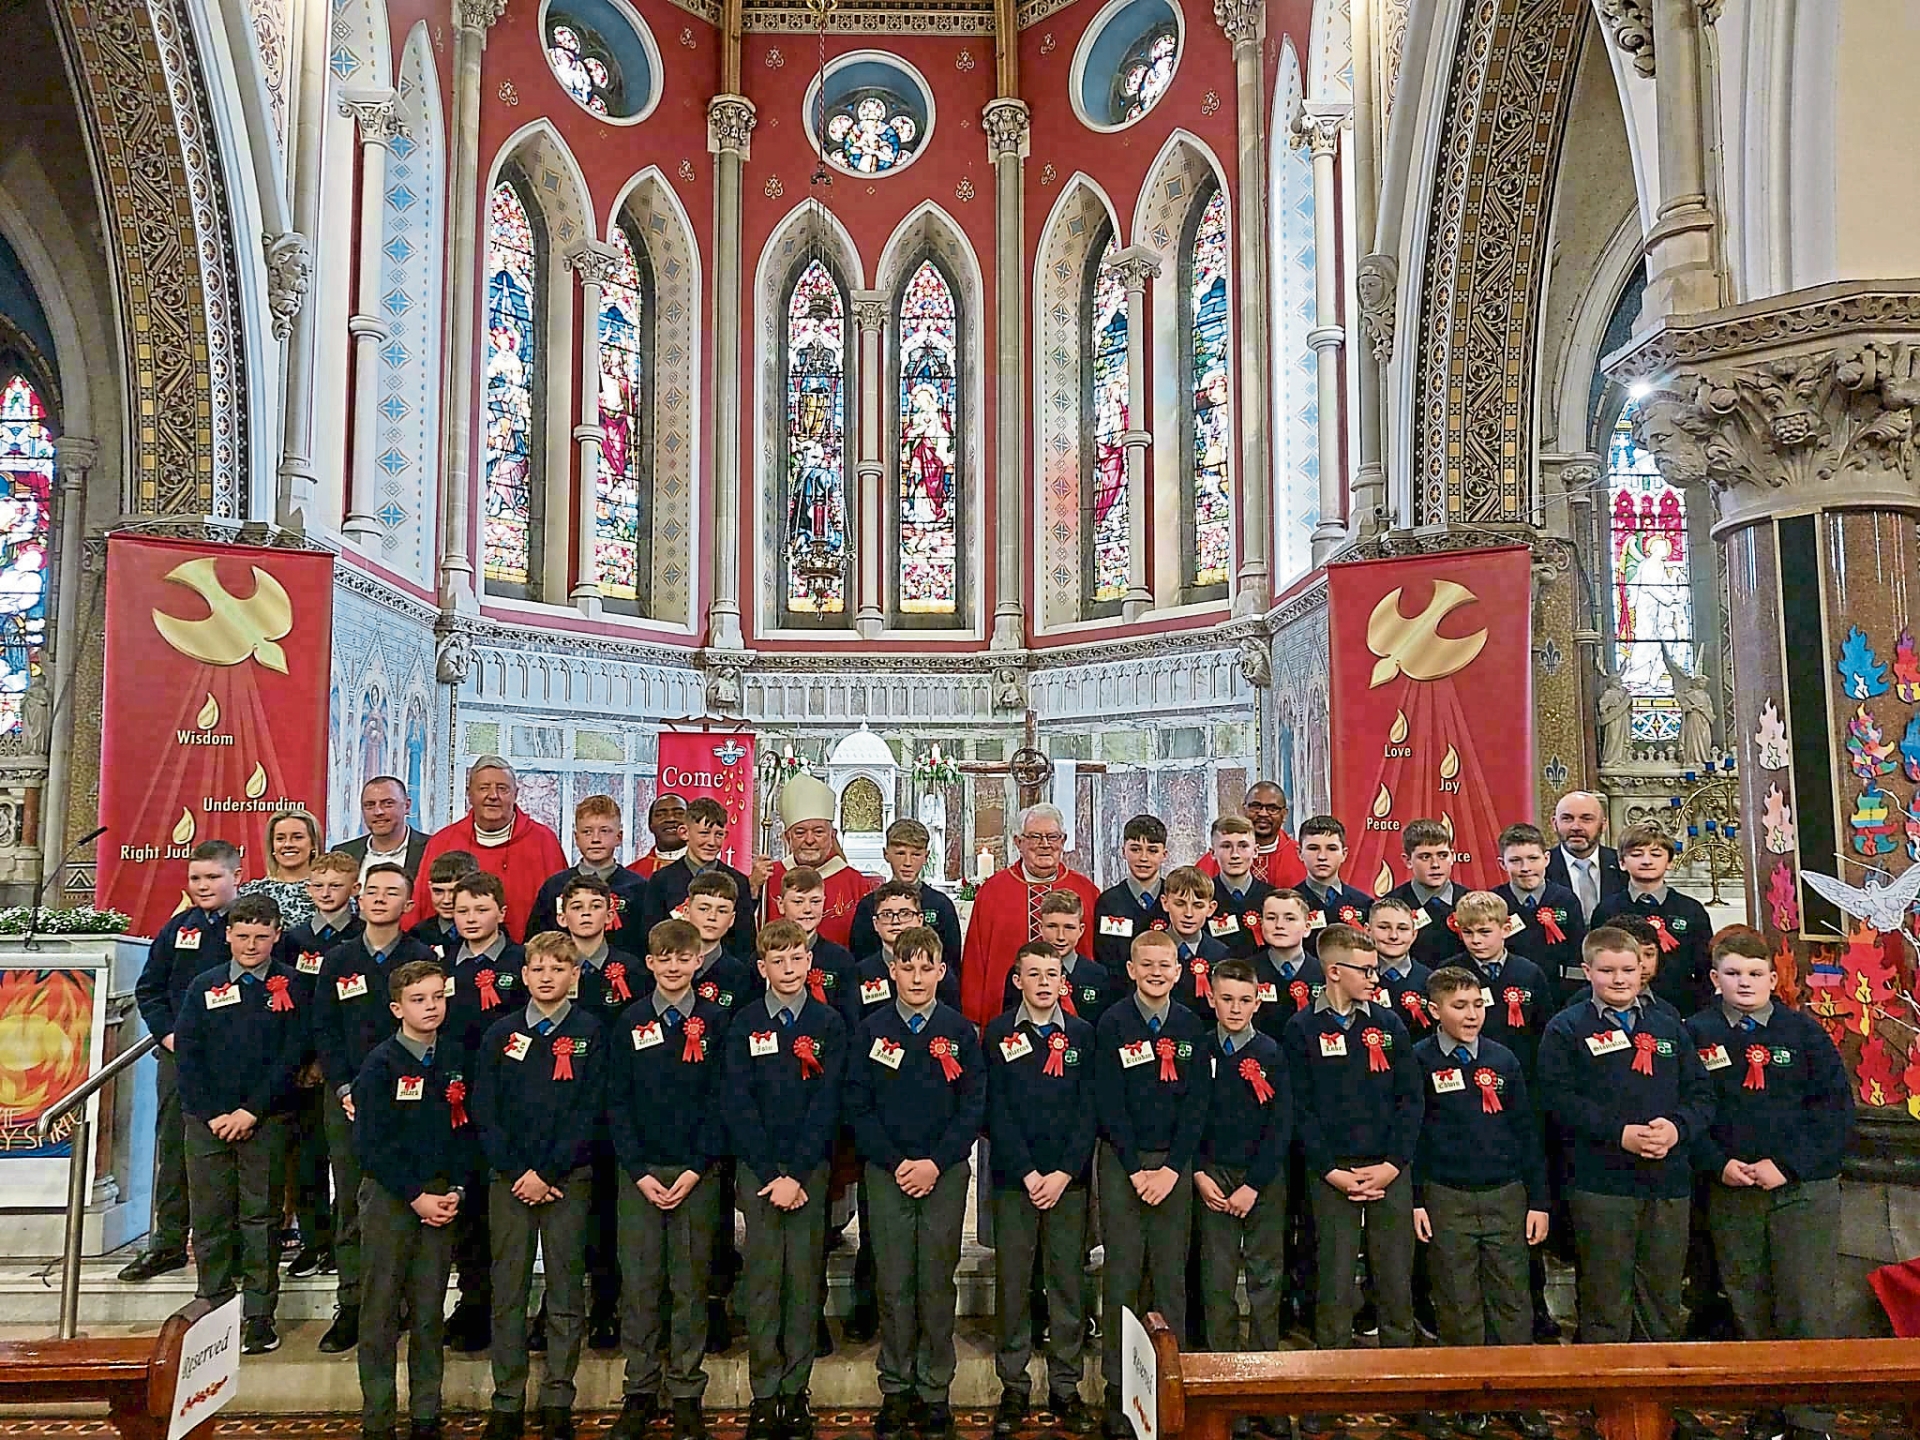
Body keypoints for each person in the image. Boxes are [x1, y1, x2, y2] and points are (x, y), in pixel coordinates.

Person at [1687, 929, 1853, 1440]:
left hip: (1800, 1190)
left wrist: (1787, 1164)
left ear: (1774, 978)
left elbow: (1833, 1113)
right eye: (1733, 973)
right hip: (1732, 1189)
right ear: (1715, 979)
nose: (1745, 983)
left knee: (1805, 1304)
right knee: (1748, 1303)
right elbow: (1687, 1110)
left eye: (1755, 974)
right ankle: (1767, 1408)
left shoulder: (1803, 1033)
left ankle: (1810, 1418)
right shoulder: (1695, 1033)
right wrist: (1718, 1163)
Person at [1537, 927, 1712, 1344]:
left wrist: (1676, 1128)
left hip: (1667, 1180)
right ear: (1587, 971)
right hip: (1601, 1183)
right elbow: (1557, 1099)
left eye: (1628, 970)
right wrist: (1619, 1134)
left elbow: (1701, 1093)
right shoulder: (1566, 1028)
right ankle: (1606, 1400)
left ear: (1642, 972)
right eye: (1607, 970)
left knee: (1663, 1296)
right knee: (1605, 1296)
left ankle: (1658, 1398)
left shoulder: (1668, 1025)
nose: (1619, 979)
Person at [847, 924, 984, 1440]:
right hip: (887, 1173)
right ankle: (896, 1386)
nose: (917, 976)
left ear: (941, 971)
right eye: (908, 967)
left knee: (934, 1282)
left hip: (944, 1174)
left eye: (927, 967)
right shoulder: (871, 1031)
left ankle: (934, 1389)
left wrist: (935, 1161)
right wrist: (895, 1160)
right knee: (894, 1282)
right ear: (892, 971)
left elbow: (973, 1106)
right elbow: (856, 1104)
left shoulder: (960, 1031)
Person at [474, 933, 607, 1440]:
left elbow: (590, 1110)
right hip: (509, 1181)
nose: (547, 976)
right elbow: (485, 1109)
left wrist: (548, 1173)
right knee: (507, 1290)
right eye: (538, 968)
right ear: (524, 975)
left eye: (559, 967)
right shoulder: (500, 1034)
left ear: (575, 976)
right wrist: (517, 1172)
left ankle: (558, 1396)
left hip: (566, 1180)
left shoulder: (592, 1032)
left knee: (566, 1291)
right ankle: (506, 1398)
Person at [1410, 967, 1550, 1440]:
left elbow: (1527, 1133)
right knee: (1457, 1301)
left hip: (1505, 1194)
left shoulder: (1504, 1059)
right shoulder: (1419, 1060)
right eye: (1459, 1006)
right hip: (1446, 1196)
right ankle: (1469, 1398)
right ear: (1434, 1011)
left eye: (1477, 1005)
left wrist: (1538, 1201)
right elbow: (1411, 1137)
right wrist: (1415, 1201)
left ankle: (1516, 1396)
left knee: (1512, 1298)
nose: (1471, 1015)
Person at [724, 919, 847, 1440]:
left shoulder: (828, 1024)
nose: (789, 969)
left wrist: (796, 1173)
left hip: (808, 1172)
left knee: (802, 1281)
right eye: (778, 961)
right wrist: (769, 1171)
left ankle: (797, 1390)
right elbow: (737, 1101)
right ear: (763, 968)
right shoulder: (745, 1023)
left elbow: (829, 1104)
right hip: (759, 1172)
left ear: (809, 963)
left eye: (797, 959)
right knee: (763, 1282)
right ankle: (764, 1391)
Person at [606, 919, 726, 1440]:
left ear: (697, 960)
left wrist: (699, 1166)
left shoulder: (719, 1023)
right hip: (641, 1176)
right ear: (650, 963)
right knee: (639, 1285)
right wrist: (636, 1171)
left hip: (697, 1174)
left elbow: (725, 1101)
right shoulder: (628, 1021)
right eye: (664, 959)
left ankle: (685, 1390)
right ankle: (639, 1387)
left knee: (689, 1284)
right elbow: (617, 1101)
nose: (674, 967)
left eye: (684, 958)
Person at [1282, 924, 1421, 1367]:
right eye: (1366, 970)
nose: (1375, 979)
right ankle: (1331, 1376)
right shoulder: (1301, 1028)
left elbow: (1411, 1100)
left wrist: (1393, 1165)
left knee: (1395, 1277)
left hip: (1388, 1172)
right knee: (1334, 1279)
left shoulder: (1389, 1023)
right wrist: (1330, 1171)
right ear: (1335, 971)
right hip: (1331, 1173)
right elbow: (1298, 1109)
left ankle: (1402, 1378)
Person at [173, 892, 305, 1354]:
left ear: (276, 936)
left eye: (261, 937)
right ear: (228, 935)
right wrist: (213, 1114)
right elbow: (188, 1056)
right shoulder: (203, 986)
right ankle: (211, 1304)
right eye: (242, 935)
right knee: (209, 1216)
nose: (251, 945)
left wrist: (252, 1111)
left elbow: (292, 1057)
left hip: (264, 1121)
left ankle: (258, 1316)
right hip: (206, 1122)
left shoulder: (293, 985)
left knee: (260, 1219)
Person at [312, 863, 436, 1354]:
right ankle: (355, 1303)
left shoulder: (422, 957)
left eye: (393, 893)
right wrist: (345, 1088)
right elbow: (324, 1028)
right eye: (373, 891)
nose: (381, 899)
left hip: (414, 1104)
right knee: (351, 1201)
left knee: (409, 1197)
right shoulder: (338, 960)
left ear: (408, 905)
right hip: (347, 1101)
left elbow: (431, 1026)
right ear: (358, 898)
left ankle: (406, 1302)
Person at [1093, 929, 1208, 1439]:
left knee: (1169, 1276)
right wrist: (1136, 1168)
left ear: (1178, 971)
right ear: (1132, 970)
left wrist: (1171, 1168)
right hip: (1124, 1164)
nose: (1157, 972)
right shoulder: (1113, 1023)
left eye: (1167, 964)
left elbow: (1197, 1104)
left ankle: (1167, 1384)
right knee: (1121, 1273)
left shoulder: (1191, 1026)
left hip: (1172, 1167)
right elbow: (1108, 1100)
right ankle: (1117, 1389)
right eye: (1148, 964)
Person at [353, 958, 472, 1440]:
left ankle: (427, 1411)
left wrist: (457, 1189)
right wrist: (414, 1196)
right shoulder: (381, 1063)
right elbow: (369, 1144)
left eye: (437, 998)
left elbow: (468, 1132)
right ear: (396, 1007)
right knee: (380, 1308)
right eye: (418, 1000)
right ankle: (378, 1415)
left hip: (441, 1200)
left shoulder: (455, 1058)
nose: (430, 1008)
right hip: (391, 1199)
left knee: (428, 1311)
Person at [986, 942, 1098, 1439]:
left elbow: (1089, 1111)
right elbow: (995, 1111)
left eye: (1052, 973)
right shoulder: (997, 1034)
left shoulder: (1083, 1035)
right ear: (1018, 981)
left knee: (1067, 1283)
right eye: (1034, 974)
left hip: (1067, 1183)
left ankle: (1065, 1384)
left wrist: (1062, 1173)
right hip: (1017, 1180)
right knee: (1013, 1283)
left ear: (1062, 981)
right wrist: (1030, 1172)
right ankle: (1013, 1385)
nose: (1044, 982)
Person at [125, 838, 241, 1283]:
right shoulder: (178, 929)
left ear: (237, 877)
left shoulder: (252, 925)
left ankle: (235, 1250)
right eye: (195, 878)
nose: (203, 886)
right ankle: (168, 1242)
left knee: (238, 1157)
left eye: (213, 877)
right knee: (174, 1149)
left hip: (240, 1063)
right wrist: (168, 1034)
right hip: (181, 1061)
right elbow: (149, 989)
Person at [554, 873, 645, 1351]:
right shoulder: (550, 965)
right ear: (561, 914)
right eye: (577, 906)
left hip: (617, 1111)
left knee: (610, 1214)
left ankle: (608, 1306)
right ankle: (558, 1311)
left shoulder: (630, 967)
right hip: (564, 1112)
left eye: (596, 906)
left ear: (610, 914)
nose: (586, 914)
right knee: (568, 1219)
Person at [443, 869, 527, 1353]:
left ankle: (509, 1307)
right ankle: (473, 1301)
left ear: (501, 912)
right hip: (456, 1102)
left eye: (481, 909)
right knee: (469, 1206)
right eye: (462, 910)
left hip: (509, 1102)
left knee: (507, 1214)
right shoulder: (440, 961)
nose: (471, 918)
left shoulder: (521, 963)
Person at [1195, 958, 1290, 1370]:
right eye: (1227, 999)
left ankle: (1263, 1371)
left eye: (1244, 1000)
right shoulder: (1197, 1049)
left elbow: (1282, 1123)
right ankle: (1223, 1368)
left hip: (1262, 1179)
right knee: (1216, 1278)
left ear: (1257, 1002)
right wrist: (1199, 1171)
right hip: (1212, 1177)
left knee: (1265, 1278)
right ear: (1212, 999)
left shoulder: (1271, 1051)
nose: (1235, 1008)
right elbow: (1188, 1118)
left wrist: (1254, 1184)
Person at [280, 850, 364, 1279]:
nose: (327, 893)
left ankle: (345, 1243)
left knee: (348, 1164)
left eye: (336, 885)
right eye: (319, 885)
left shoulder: (364, 936)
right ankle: (314, 1242)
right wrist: (304, 1059)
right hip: (300, 1066)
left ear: (355, 890)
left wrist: (328, 1063)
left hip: (344, 1066)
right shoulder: (293, 941)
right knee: (307, 1158)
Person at [961, 804, 1098, 1027]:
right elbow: (975, 959)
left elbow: (1094, 955)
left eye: (1052, 837)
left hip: (1076, 1017)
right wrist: (973, 1017)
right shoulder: (993, 892)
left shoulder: (1085, 891)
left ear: (1063, 841)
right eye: (1035, 837)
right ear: (1018, 842)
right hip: (1004, 1015)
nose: (1045, 845)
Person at [408, 756, 569, 941]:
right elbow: (419, 906)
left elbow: (562, 905)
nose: (493, 796)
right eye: (484, 788)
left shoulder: (543, 841)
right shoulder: (443, 842)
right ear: (469, 794)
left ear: (516, 793)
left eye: (503, 788)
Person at [1592, 825, 1713, 1015]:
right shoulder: (1607, 909)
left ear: (1670, 862)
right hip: (1619, 1007)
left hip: (1682, 1006)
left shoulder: (1691, 910)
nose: (1647, 861)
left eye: (1656, 854)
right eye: (1637, 854)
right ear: (1622, 862)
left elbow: (1704, 969)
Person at [759, 774, 876, 949]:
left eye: (818, 832)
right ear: (786, 837)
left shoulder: (856, 883)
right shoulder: (769, 877)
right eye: (800, 832)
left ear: (832, 835)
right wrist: (752, 889)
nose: (809, 840)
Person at [1448, 891, 1553, 1083]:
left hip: (1522, 1074)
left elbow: (1543, 1030)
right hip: (1468, 1075)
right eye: (1467, 932)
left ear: (1506, 929)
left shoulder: (1529, 973)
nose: (1476, 940)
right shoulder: (1449, 973)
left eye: (1485, 932)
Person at [643, 798, 756, 957]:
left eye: (719, 835)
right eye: (704, 833)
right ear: (684, 833)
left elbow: (745, 941)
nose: (711, 842)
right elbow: (650, 936)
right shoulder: (661, 881)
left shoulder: (738, 881)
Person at [847, 818, 962, 974]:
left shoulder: (941, 905)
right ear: (886, 854)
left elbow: (951, 963)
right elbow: (860, 957)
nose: (907, 862)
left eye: (915, 854)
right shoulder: (869, 905)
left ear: (926, 856)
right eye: (900, 853)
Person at [528, 795, 651, 939]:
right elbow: (536, 941)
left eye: (605, 831)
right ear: (576, 838)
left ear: (619, 837)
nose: (596, 839)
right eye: (587, 832)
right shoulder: (554, 886)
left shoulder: (638, 888)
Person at [1495, 823, 1586, 992]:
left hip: (1559, 992)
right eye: (1515, 861)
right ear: (1502, 864)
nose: (1526, 868)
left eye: (1533, 858)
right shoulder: (1494, 902)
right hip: (1511, 994)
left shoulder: (1566, 899)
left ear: (1547, 859)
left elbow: (1577, 955)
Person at [1002, 889, 1113, 1026]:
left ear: (1081, 930)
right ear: (1040, 928)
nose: (1060, 936)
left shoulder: (1097, 974)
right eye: (1052, 926)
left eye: (1069, 927)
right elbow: (1010, 1024)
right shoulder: (1022, 972)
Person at [1091, 814, 1169, 982]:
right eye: (1135, 849)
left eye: (1152, 850)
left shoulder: (1174, 899)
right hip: (1120, 996)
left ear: (1164, 854)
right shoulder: (1108, 902)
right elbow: (1103, 958)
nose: (1143, 858)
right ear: (1123, 852)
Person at [778, 865, 862, 1014]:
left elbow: (851, 1018)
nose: (808, 909)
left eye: (815, 901)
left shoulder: (841, 959)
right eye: (798, 902)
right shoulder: (765, 956)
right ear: (781, 905)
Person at [1196, 782, 1306, 887]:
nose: (1263, 814)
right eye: (1255, 807)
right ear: (1244, 809)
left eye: (1272, 809)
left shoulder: (1301, 857)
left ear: (1284, 814)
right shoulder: (1214, 859)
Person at [1386, 820, 1463, 970]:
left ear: (1452, 856)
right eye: (1425, 857)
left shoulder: (1470, 902)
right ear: (1408, 860)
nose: (1435, 864)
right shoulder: (1390, 906)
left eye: (1442, 855)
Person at [1295, 816, 1371, 956]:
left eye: (1331, 848)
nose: (1322, 856)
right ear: (1300, 853)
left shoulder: (1364, 903)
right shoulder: (1289, 903)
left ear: (1344, 854)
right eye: (1313, 848)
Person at [1204, 817, 1276, 961]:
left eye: (1243, 846)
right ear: (1212, 853)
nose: (1235, 855)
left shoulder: (1272, 898)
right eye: (1226, 846)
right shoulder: (1202, 898)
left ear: (1255, 851)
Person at [1545, 792, 1624, 922]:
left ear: (1603, 825)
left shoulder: (1622, 864)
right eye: (1567, 818)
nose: (1576, 827)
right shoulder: (1540, 867)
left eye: (1586, 819)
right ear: (1554, 823)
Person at [241, 807, 322, 930]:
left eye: (297, 837)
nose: (288, 844)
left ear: (313, 843)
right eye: (280, 838)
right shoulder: (250, 892)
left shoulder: (328, 891)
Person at [1160, 865, 1227, 1015]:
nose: (1188, 913)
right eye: (1180, 904)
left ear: (1211, 908)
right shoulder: (1150, 950)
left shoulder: (1221, 954)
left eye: (1198, 906)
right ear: (1165, 903)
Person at [340, 775, 431, 881]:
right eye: (369, 805)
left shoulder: (431, 848)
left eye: (388, 804)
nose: (378, 812)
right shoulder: (345, 853)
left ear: (407, 806)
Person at [411, 850, 481, 961]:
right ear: (430, 887)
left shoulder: (489, 931)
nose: (446, 900)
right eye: (438, 891)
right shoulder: (419, 935)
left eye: (453, 891)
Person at [628, 793, 689, 879]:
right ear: (650, 825)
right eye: (661, 815)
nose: (670, 819)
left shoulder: (708, 869)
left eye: (679, 813)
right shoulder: (632, 875)